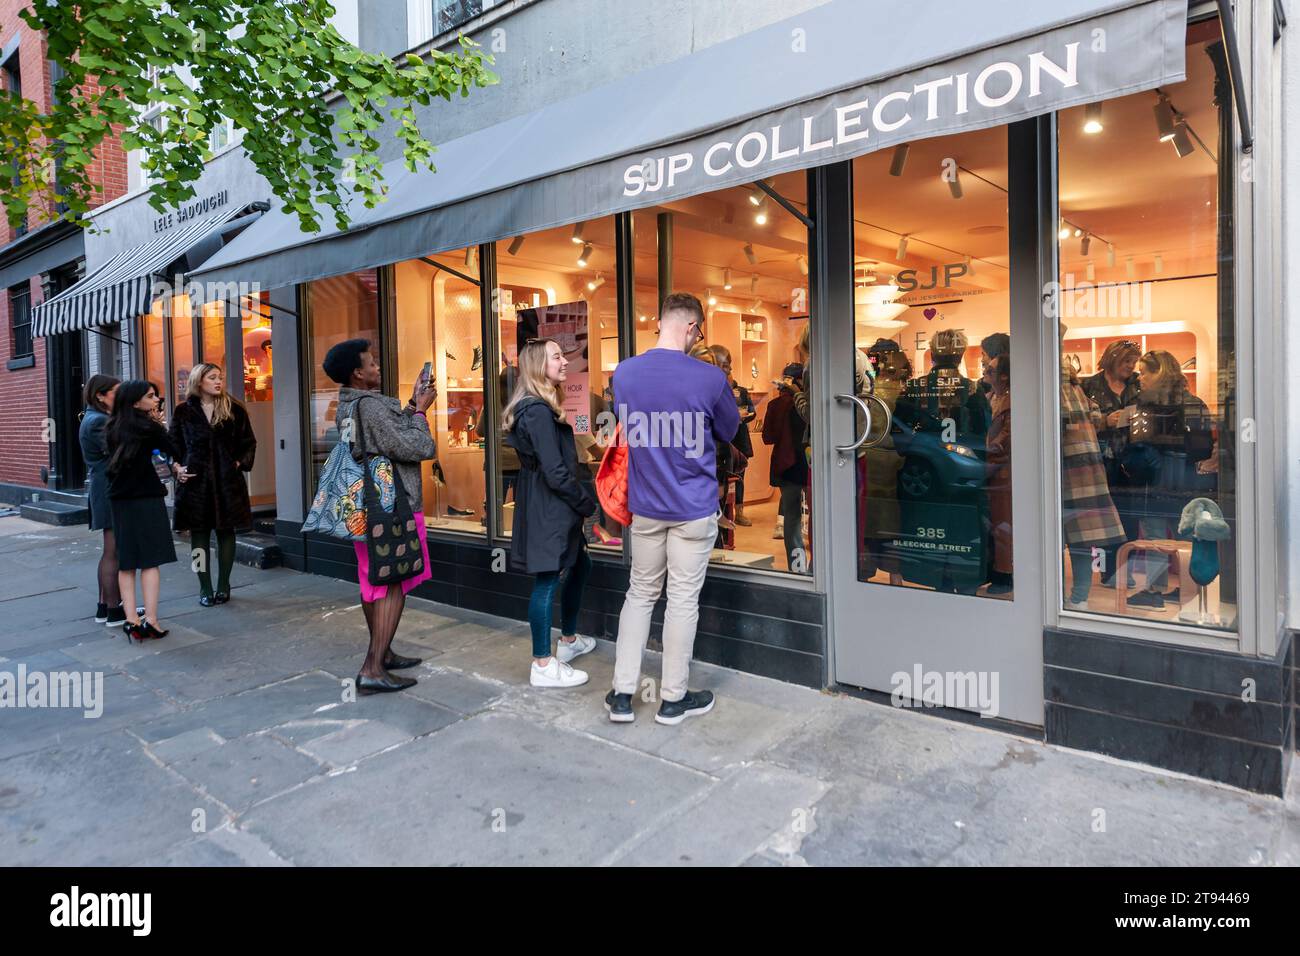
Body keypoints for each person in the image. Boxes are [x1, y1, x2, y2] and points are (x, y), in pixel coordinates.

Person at [605, 293, 739, 725]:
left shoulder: (624, 374)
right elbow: (729, 428)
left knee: (640, 594)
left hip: (646, 506)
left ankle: (623, 694)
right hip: (693, 507)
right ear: (693, 328)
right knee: (682, 600)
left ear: (660, 322)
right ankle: (672, 700)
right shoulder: (709, 377)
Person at [323, 338, 437, 695]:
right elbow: (418, 447)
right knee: (392, 582)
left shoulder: (351, 404)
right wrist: (420, 413)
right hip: (390, 507)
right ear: (358, 373)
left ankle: (383, 653)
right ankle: (372, 666)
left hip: (365, 509)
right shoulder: (370, 406)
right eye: (371, 364)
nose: (377, 368)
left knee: (373, 582)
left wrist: (412, 406)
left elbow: (387, 437)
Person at [503, 338, 599, 688]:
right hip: (550, 507)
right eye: (556, 357)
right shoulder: (538, 412)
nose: (564, 363)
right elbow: (556, 472)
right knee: (546, 581)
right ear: (537, 366)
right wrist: (587, 504)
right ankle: (543, 663)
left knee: (580, 564)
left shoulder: (537, 407)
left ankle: (569, 642)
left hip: (549, 505)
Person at [1114, 350, 1214, 610]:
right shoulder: (1194, 402)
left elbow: (1138, 444)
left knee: (1154, 536)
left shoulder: (1146, 405)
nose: (1140, 378)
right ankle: (1194, 587)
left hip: (1154, 481)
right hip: (1185, 479)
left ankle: (1155, 590)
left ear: (1158, 373)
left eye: (1145, 372)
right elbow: (1203, 446)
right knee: (1187, 534)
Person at [169, 363, 257, 606]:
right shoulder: (183, 412)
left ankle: (223, 584)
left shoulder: (234, 409)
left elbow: (249, 442)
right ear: (199, 382)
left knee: (226, 532)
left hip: (226, 483)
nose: (219, 381)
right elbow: (173, 446)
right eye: (212, 377)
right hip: (195, 485)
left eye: (220, 377)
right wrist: (177, 468)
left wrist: (237, 463)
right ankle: (204, 586)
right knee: (198, 536)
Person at [106, 380, 186, 642]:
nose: (156, 401)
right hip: (147, 498)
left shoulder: (112, 427)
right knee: (150, 561)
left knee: (127, 560)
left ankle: (131, 620)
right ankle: (151, 620)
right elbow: (176, 450)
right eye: (151, 397)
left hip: (120, 500)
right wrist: (160, 425)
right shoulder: (150, 428)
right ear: (135, 401)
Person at [1060, 353, 1126, 610]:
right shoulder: (1076, 387)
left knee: (1065, 537)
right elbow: (1094, 414)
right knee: (1081, 539)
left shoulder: (1059, 388)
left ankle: (1073, 598)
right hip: (1087, 468)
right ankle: (1079, 598)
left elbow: (1062, 422)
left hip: (1069, 469)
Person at [1081, 340, 1142, 586]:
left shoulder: (1138, 383)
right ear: (1113, 359)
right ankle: (1106, 570)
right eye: (1127, 361)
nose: (1131, 366)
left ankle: (1125, 570)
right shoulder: (1089, 385)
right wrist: (1105, 421)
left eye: (1134, 362)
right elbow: (1078, 422)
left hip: (1133, 458)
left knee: (1130, 515)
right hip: (1100, 459)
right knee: (1101, 516)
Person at [79, 374, 125, 626]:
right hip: (108, 488)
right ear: (100, 395)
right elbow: (117, 453)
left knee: (110, 550)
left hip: (103, 486)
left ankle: (103, 608)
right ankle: (114, 610)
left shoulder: (95, 418)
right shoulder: (97, 421)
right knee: (113, 551)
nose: (119, 396)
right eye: (115, 392)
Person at [762, 363, 811, 572]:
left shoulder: (775, 405)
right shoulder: (809, 404)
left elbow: (768, 437)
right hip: (809, 464)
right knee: (818, 516)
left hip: (786, 465)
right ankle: (817, 567)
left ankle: (796, 566)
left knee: (791, 517)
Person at [710, 344, 755, 526]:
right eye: (726, 366)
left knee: (736, 481)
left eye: (729, 367)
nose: (729, 371)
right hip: (714, 454)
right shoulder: (717, 388)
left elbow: (749, 412)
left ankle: (738, 511)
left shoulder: (739, 391)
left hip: (732, 446)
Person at [983, 354, 1013, 595]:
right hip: (990, 468)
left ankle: (1005, 574)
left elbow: (1006, 437)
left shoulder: (1011, 402)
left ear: (1004, 375)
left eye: (990, 370)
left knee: (1004, 522)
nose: (985, 371)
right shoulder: (990, 398)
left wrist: (987, 451)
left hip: (1003, 470)